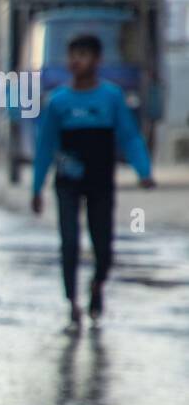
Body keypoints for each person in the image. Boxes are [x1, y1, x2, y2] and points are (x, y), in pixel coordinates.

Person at [31, 33, 155, 326]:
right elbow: (45, 147)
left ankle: (97, 285)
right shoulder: (57, 102)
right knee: (70, 242)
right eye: (72, 54)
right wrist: (36, 188)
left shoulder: (111, 98)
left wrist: (144, 171)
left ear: (97, 61)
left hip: (100, 182)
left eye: (83, 54)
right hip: (67, 183)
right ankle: (72, 301)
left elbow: (129, 136)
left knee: (103, 246)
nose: (76, 60)